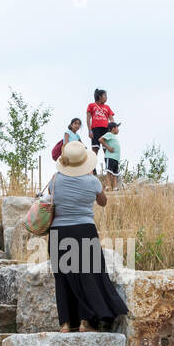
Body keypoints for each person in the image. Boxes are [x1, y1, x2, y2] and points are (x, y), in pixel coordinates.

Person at [49, 141, 129, 332]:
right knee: (88, 275)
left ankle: (66, 324)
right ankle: (86, 322)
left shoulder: (54, 180)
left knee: (63, 277)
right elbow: (103, 202)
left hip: (59, 232)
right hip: (85, 230)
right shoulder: (92, 181)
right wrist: (91, 176)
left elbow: (52, 202)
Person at [99, 120, 122, 190]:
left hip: (115, 158)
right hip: (110, 156)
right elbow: (100, 139)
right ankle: (108, 185)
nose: (118, 129)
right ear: (113, 128)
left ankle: (114, 186)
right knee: (109, 172)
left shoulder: (114, 136)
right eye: (117, 127)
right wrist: (108, 147)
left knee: (114, 173)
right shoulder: (109, 134)